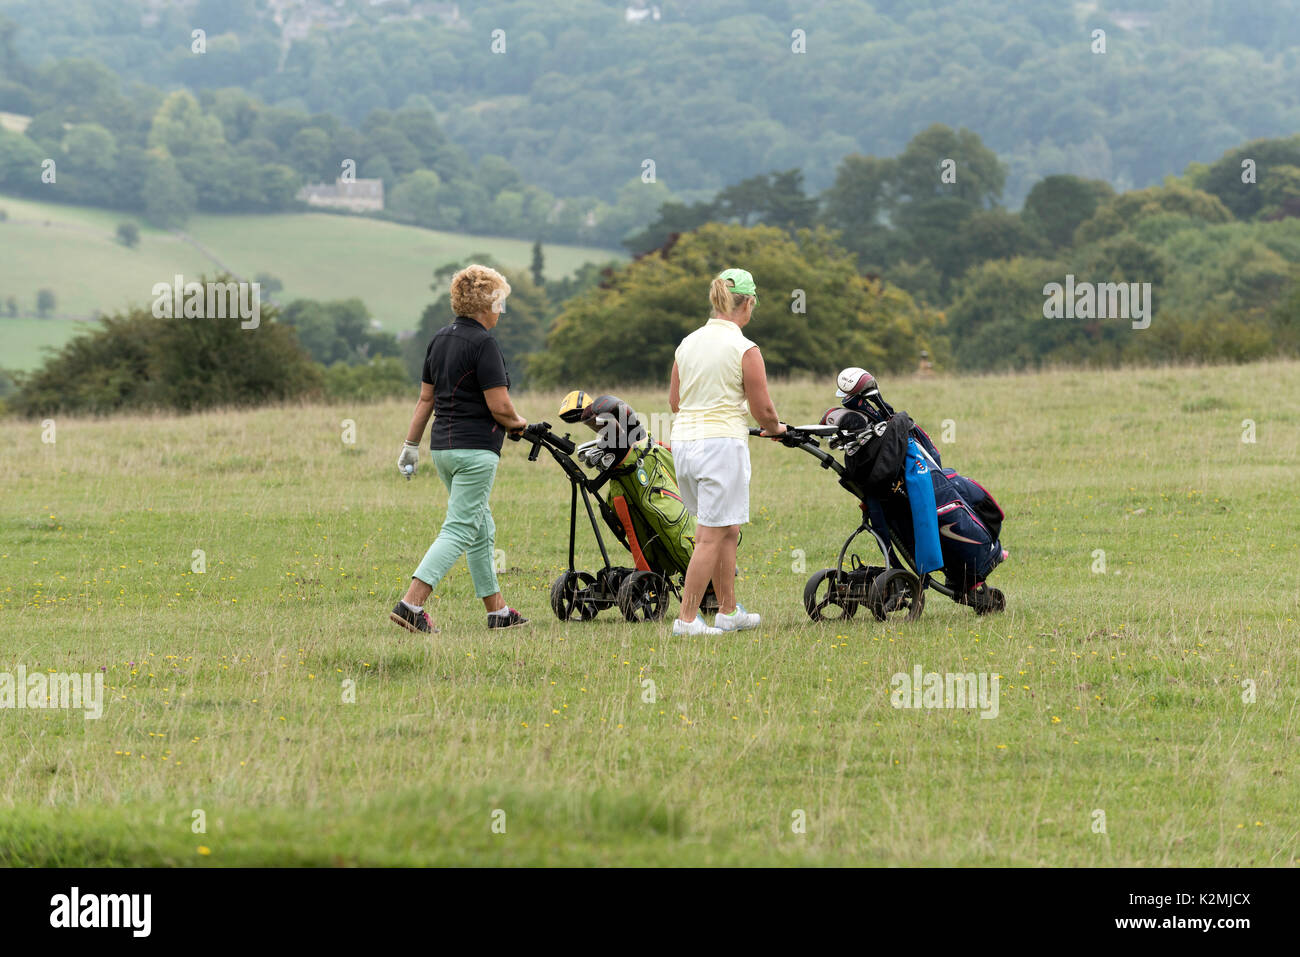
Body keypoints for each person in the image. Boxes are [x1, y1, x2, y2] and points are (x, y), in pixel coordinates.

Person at [389, 264, 529, 634]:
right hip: (475, 452)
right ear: (487, 303)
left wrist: (410, 446)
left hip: (443, 452)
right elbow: (499, 406)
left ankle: (497, 612)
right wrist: (520, 424)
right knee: (460, 529)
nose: (502, 309)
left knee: (481, 527)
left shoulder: (440, 339)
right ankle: (411, 604)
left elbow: (425, 400)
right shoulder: (484, 344)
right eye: (500, 302)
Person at [667, 267, 786, 636]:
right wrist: (775, 429)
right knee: (710, 535)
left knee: (727, 528)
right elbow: (763, 410)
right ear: (748, 303)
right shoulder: (744, 348)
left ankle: (728, 611)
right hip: (719, 446)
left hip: (684, 443)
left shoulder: (687, 343)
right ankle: (686, 619)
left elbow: (675, 401)